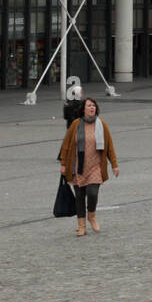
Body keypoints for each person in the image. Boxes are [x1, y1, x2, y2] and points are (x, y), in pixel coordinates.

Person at [59, 97, 118, 236]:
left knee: (92, 193)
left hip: (95, 166)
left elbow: (109, 146)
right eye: (89, 106)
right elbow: (66, 145)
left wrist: (114, 165)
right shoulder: (75, 124)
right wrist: (63, 163)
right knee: (79, 196)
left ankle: (91, 215)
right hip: (78, 166)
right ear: (83, 109)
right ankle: (81, 225)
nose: (92, 108)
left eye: (94, 106)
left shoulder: (101, 124)